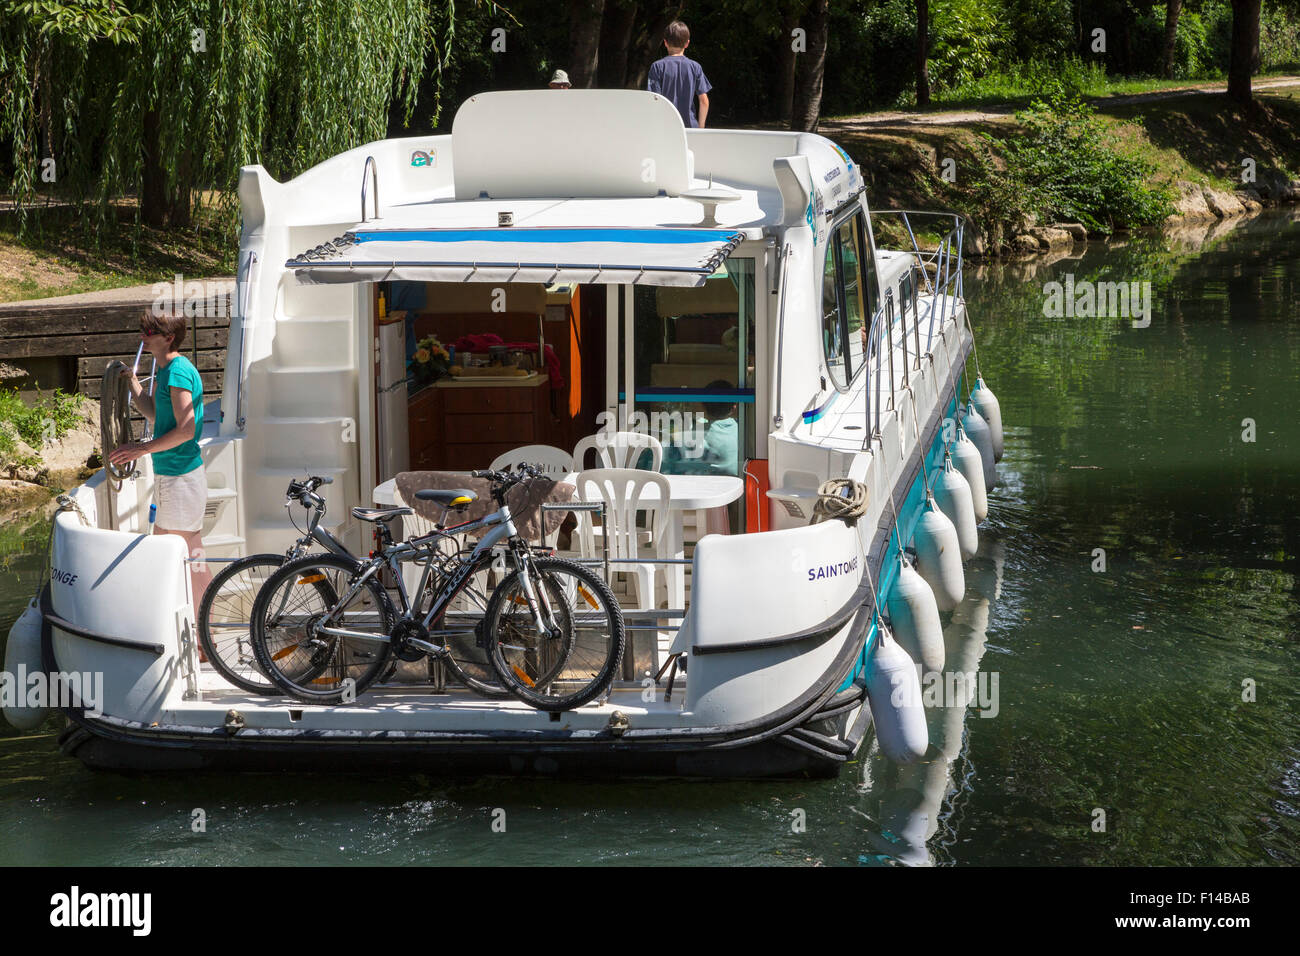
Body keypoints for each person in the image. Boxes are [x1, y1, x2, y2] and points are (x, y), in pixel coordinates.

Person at [107, 311, 212, 624]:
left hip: (180, 477)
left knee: (191, 557)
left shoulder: (178, 371)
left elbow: (186, 429)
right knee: (174, 553)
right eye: (143, 330)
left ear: (168, 338)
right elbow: (155, 414)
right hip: (173, 476)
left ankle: (204, 634)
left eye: (150, 331)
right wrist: (134, 383)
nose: (144, 336)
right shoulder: (167, 370)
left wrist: (140, 449)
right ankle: (185, 626)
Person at [646, 20, 711, 128]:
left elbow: (654, 99)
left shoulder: (657, 67)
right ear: (687, 43)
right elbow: (704, 101)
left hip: (665, 127)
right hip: (690, 127)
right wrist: (701, 127)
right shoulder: (695, 67)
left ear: (665, 42)